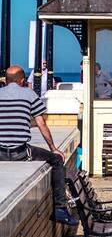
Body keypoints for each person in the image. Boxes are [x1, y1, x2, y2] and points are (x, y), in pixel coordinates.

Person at [0, 65, 74, 224]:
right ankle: (60, 209)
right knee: (56, 160)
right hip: (20, 152)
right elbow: (41, 124)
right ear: (22, 81)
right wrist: (54, 148)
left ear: (5, 80)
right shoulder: (29, 94)